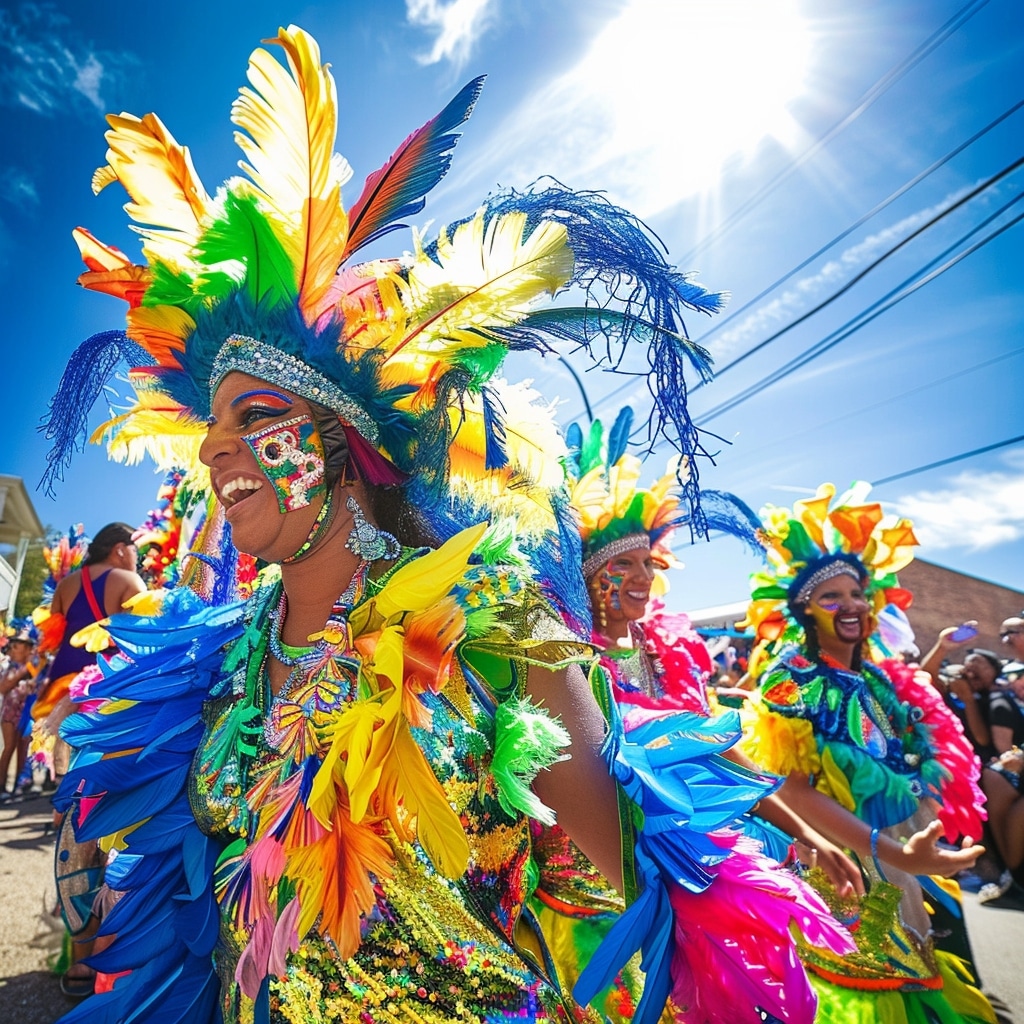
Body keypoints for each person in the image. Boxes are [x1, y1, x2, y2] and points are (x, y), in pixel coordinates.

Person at [40, 26, 839, 1024]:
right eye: (211, 427)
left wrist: (777, 838)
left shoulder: (486, 628)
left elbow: (638, 849)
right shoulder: (210, 663)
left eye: (254, 420)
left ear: (345, 443)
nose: (212, 451)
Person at [564, 419, 985, 1023]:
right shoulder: (572, 662)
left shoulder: (668, 659)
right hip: (591, 899)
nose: (640, 579)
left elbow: (741, 768)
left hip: (706, 877)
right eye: (617, 565)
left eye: (646, 563)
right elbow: (781, 777)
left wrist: (822, 838)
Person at [741, 482, 995, 1022]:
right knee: (866, 988)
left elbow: (908, 759)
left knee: (917, 971)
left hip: (902, 853)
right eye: (831, 597)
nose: (850, 605)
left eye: (856, 593)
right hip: (846, 860)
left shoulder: (879, 681)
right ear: (805, 610)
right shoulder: (791, 679)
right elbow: (792, 789)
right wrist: (889, 850)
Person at [0, 620, 43, 799]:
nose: (14, 649)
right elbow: (3, 687)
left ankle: (20, 783)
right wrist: (24, 670)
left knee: (24, 746)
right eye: (14, 645)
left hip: (26, 712)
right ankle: (2, 785)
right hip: (10, 712)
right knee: (9, 746)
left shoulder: (35, 666)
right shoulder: (11, 667)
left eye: (18, 646)